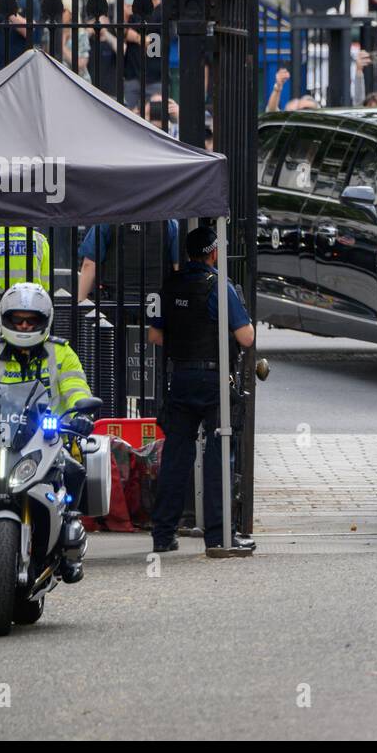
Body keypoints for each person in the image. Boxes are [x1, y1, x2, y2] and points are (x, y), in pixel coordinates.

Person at [0, 282, 95, 581]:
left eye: (31, 320)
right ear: (5, 319)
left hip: (45, 436)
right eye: (18, 319)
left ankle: (67, 541)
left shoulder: (61, 353)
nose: (24, 326)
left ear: (45, 321)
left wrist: (80, 412)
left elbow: (76, 387)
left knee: (75, 471)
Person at [148, 227, 257, 553]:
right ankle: (218, 536)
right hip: (213, 381)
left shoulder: (170, 286)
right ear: (213, 254)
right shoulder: (219, 288)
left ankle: (163, 535)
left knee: (176, 457)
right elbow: (246, 337)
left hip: (179, 378)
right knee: (219, 455)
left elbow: (155, 336)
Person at [76, 221, 179, 303]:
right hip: (156, 303)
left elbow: (89, 265)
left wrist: (80, 305)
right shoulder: (170, 224)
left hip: (115, 301)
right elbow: (178, 267)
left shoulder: (107, 221)